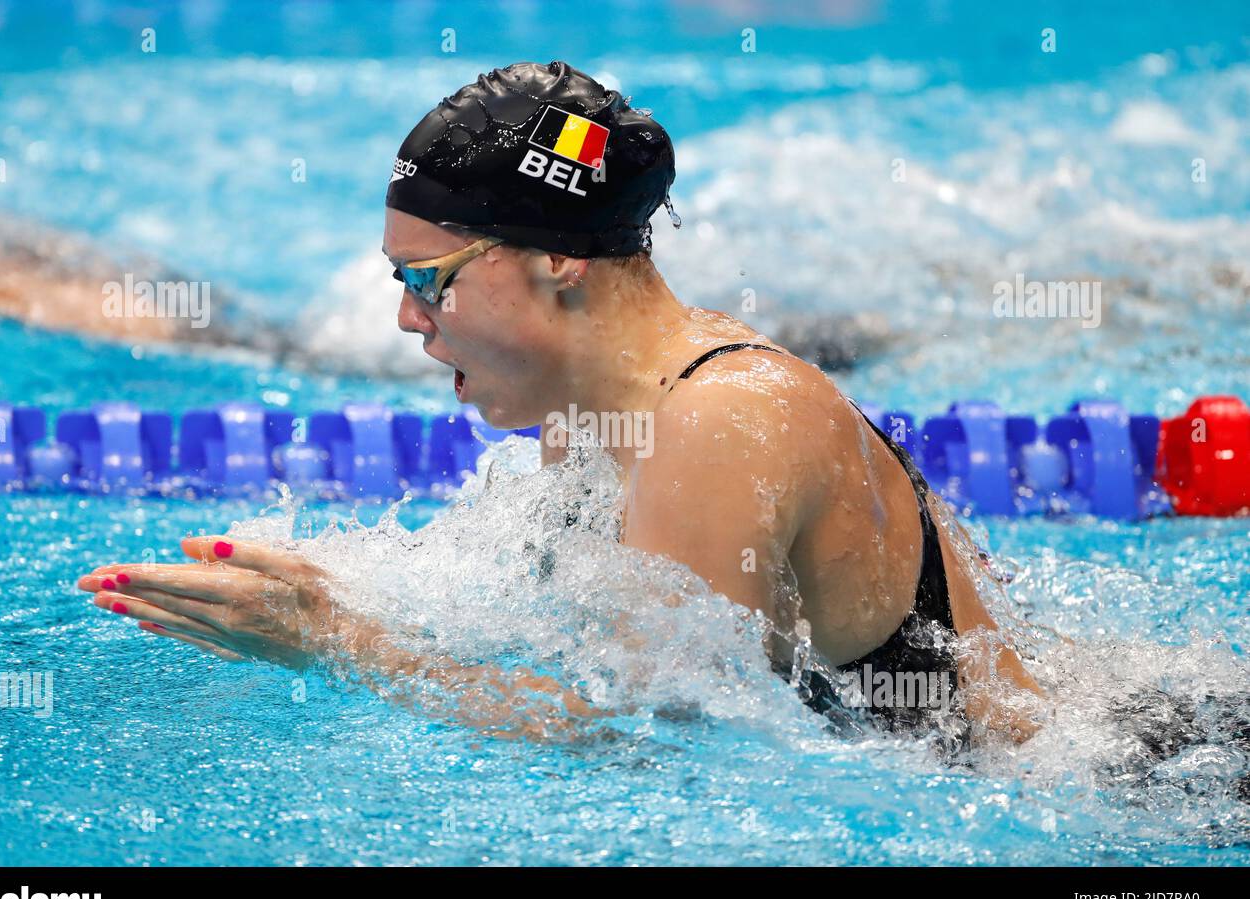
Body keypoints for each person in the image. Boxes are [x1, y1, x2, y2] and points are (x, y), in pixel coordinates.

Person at [81, 61, 1044, 746]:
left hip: (1119, 794)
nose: (407, 320)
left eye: (428, 278)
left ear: (558, 260)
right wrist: (333, 596)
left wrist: (338, 645)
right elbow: (584, 659)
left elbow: (665, 746)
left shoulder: (721, 423)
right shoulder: (600, 408)